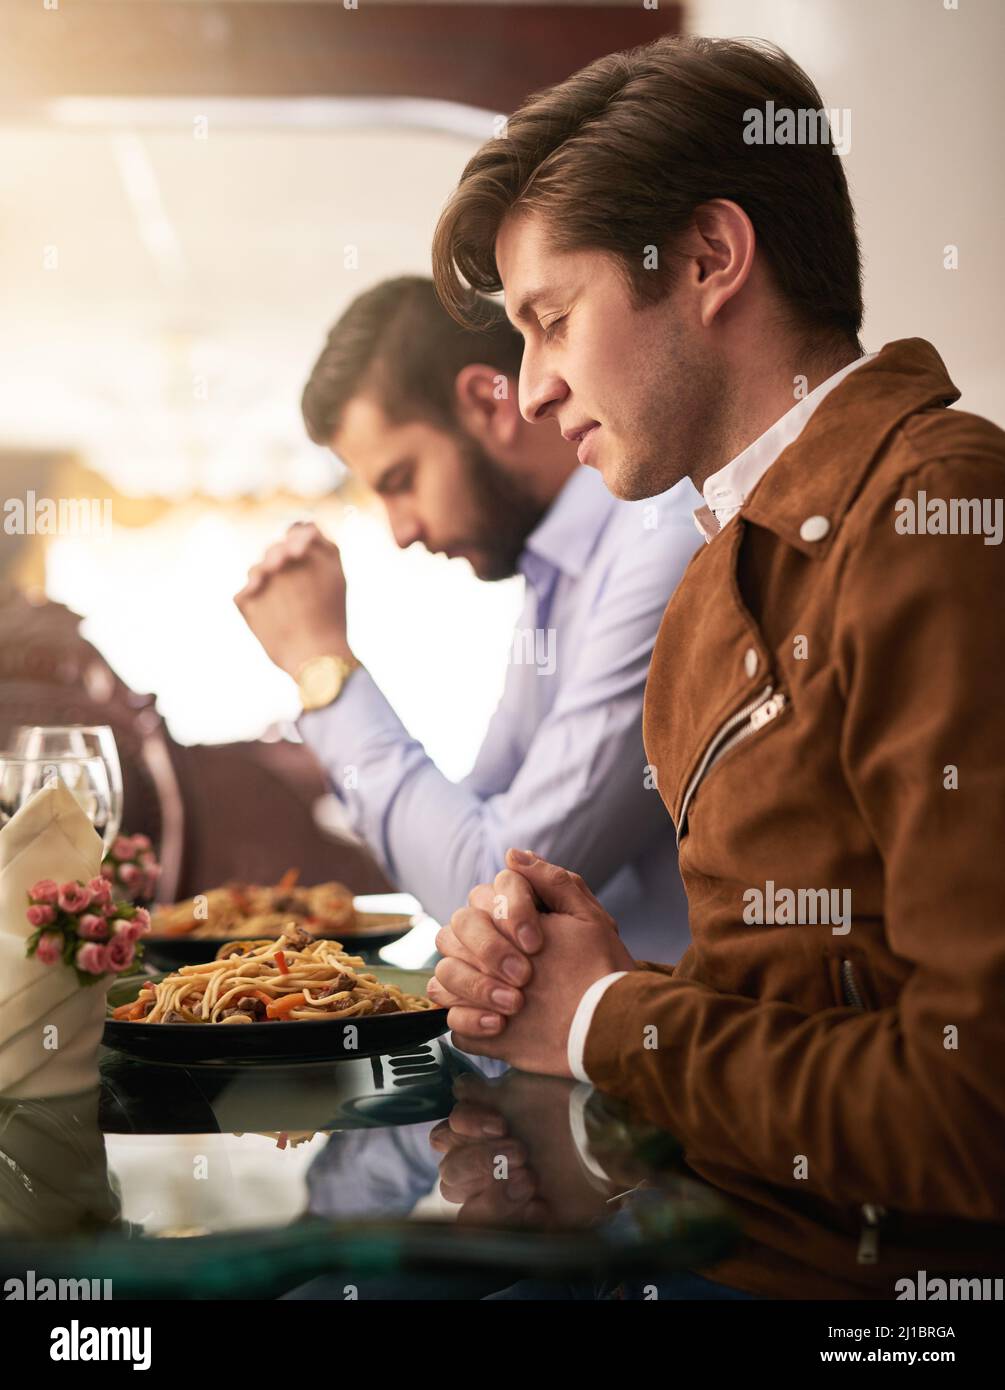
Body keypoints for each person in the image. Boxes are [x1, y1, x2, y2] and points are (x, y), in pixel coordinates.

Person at [427, 33, 1005, 1287]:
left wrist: (605, 1017)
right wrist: (587, 976)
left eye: (552, 320)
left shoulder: (938, 518)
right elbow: (808, 1008)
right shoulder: (709, 585)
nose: (532, 389)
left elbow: (975, 1108)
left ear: (707, 258)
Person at [235, 277, 702, 959]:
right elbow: (481, 812)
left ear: (489, 403)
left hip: (672, 1017)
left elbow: (490, 882)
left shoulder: (661, 545)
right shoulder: (554, 570)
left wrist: (321, 668)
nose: (401, 531)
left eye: (401, 481)